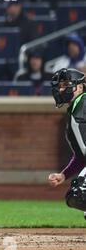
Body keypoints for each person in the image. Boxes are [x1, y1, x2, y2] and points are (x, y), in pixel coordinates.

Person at [47, 68, 86, 221]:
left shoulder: (83, 102)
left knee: (80, 193)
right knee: (77, 197)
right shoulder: (75, 110)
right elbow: (81, 156)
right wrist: (64, 175)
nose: (62, 89)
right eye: (60, 85)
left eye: (66, 84)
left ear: (80, 87)